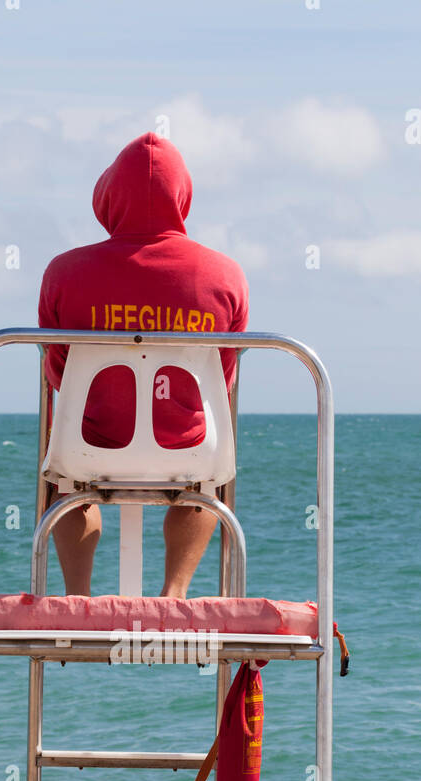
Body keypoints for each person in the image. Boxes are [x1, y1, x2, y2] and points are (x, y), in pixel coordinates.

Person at [38, 131, 249, 597]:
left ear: (109, 194)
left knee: (67, 479)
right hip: (186, 445)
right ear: (183, 195)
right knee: (204, 482)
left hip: (90, 441)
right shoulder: (225, 275)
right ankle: (174, 593)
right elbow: (224, 378)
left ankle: (77, 596)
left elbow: (57, 372)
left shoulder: (64, 273)